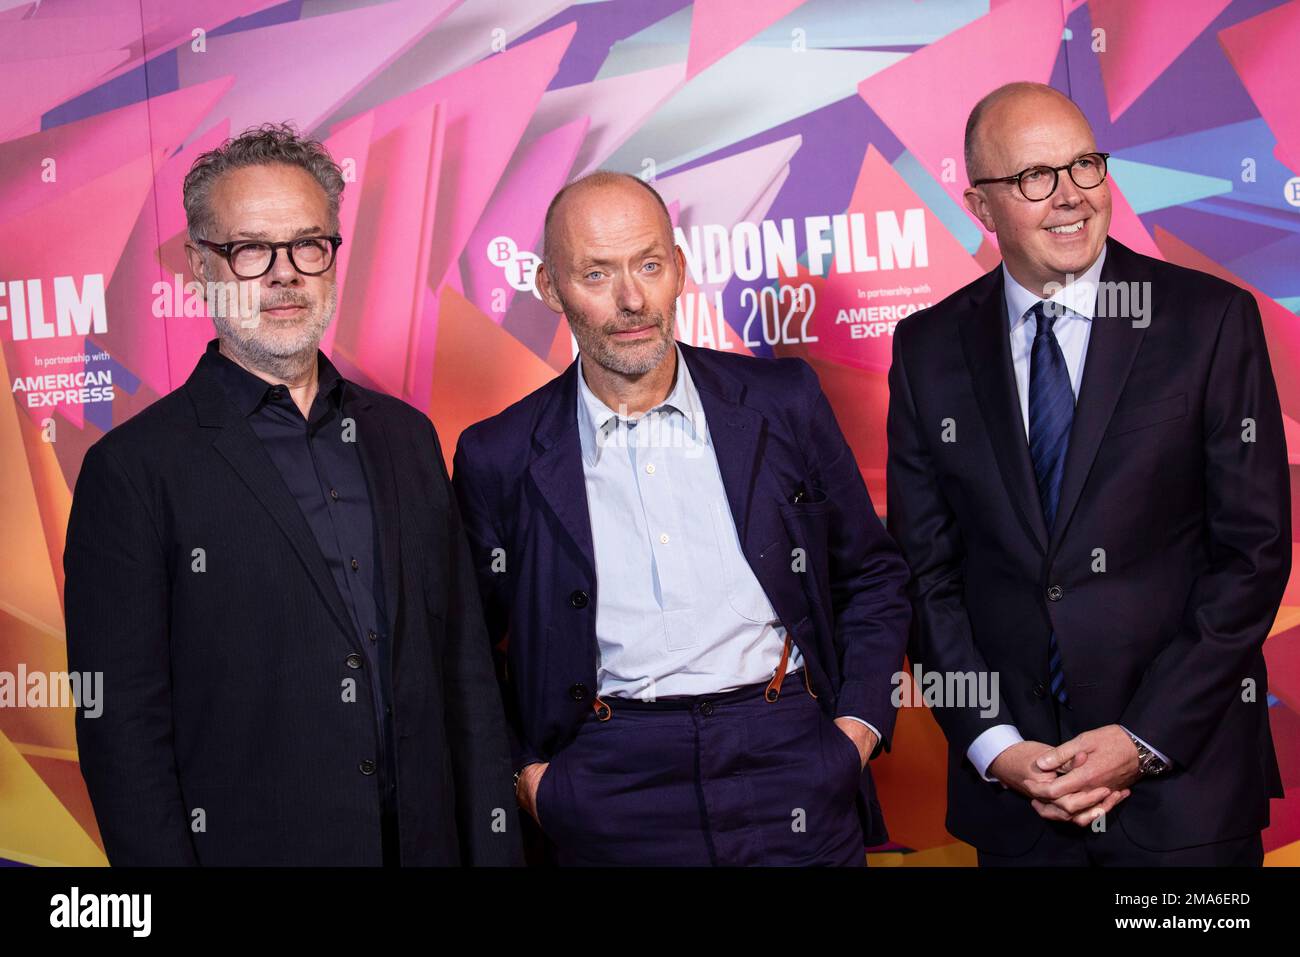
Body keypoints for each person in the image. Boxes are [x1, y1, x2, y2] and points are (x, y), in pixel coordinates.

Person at [64, 123, 521, 866]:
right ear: (198, 263)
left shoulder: (405, 437)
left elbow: (464, 672)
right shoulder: (133, 470)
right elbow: (122, 733)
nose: (285, 275)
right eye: (250, 249)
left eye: (308, 244)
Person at [452, 171, 911, 866]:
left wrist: (858, 726)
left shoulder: (782, 401)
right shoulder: (499, 454)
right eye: (596, 273)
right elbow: (465, 650)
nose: (632, 299)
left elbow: (873, 574)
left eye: (649, 264)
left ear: (680, 269)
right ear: (549, 288)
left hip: (788, 753)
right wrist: (533, 781)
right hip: (609, 776)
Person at [886, 82, 1289, 865]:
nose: (1070, 195)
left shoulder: (1208, 320)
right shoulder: (928, 349)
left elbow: (1253, 555)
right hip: (1017, 805)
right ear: (980, 204)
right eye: (1036, 176)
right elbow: (924, 574)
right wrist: (995, 746)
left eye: (1085, 166)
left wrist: (1143, 738)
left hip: (1184, 796)